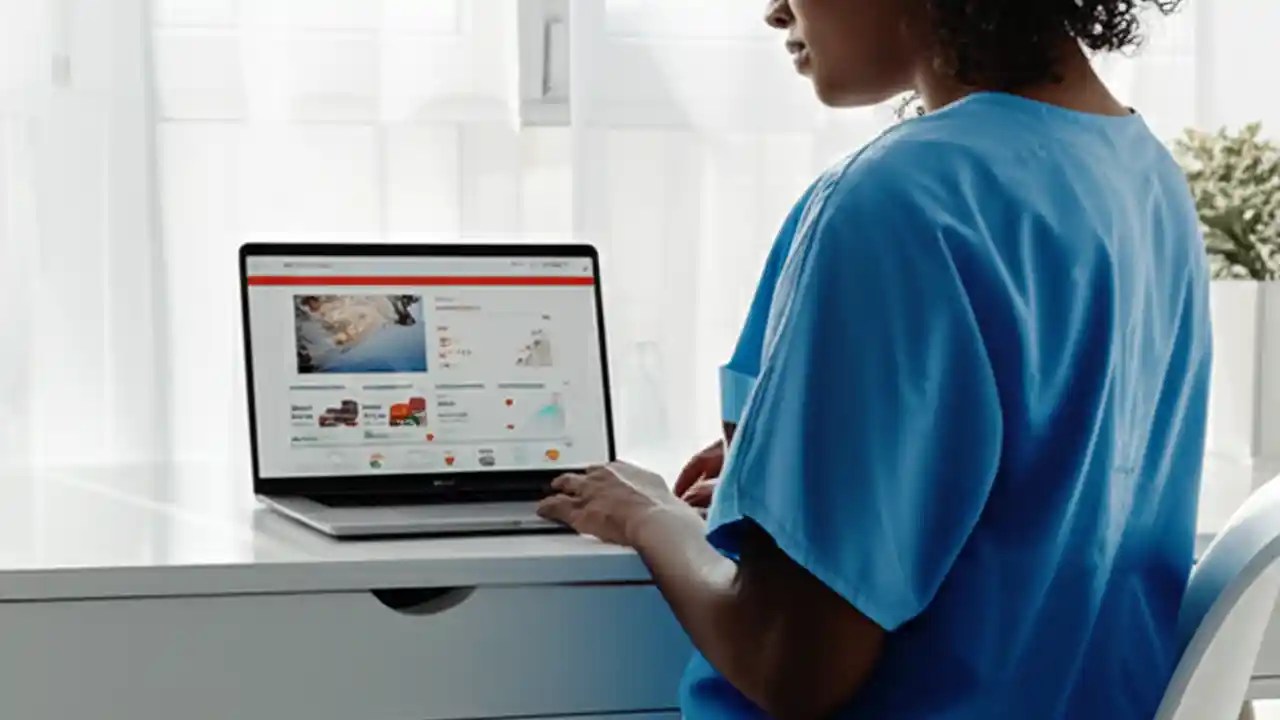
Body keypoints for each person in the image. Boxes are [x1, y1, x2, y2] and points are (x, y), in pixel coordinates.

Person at [537, 0, 1211, 717]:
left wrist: (650, 517)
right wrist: (793, 477)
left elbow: (794, 664)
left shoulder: (898, 198)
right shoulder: (1147, 176)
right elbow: (1038, 474)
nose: (773, 11)